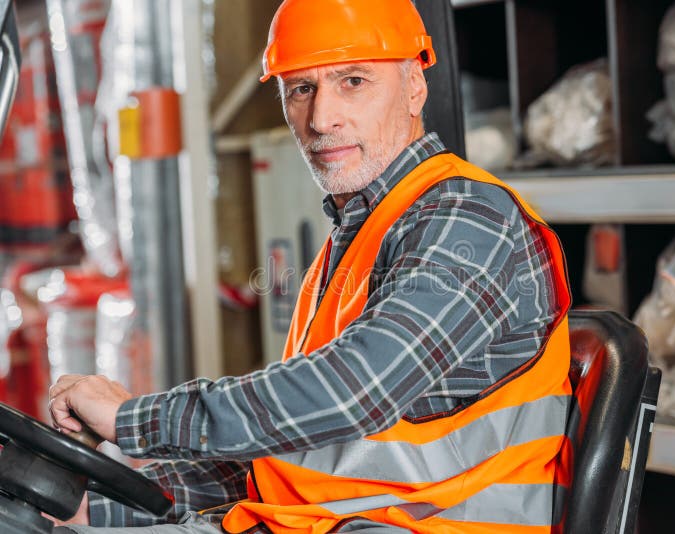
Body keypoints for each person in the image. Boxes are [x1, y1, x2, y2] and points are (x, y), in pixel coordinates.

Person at [49, 0, 573, 532]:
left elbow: (354, 391)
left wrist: (134, 419)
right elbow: (291, 456)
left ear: (415, 86)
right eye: (301, 89)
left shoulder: (470, 219)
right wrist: (92, 505)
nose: (322, 118)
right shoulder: (357, 238)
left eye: (353, 82)